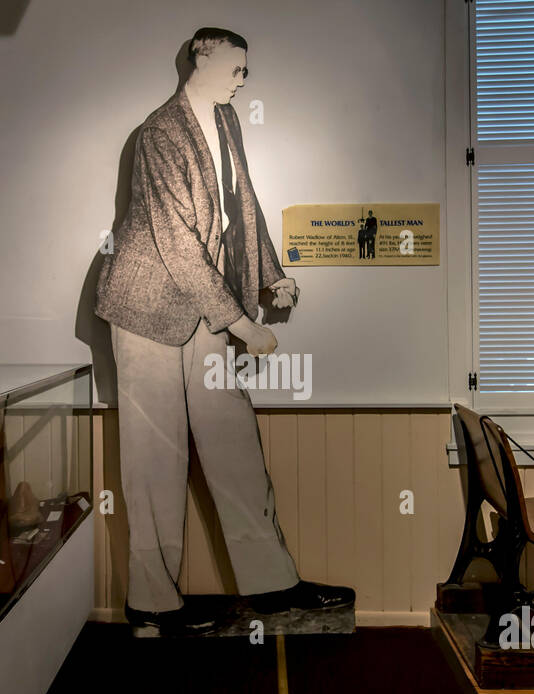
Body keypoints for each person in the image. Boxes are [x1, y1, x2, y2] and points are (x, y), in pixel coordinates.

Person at [95, 27, 354, 635]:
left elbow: (246, 207)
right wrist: (241, 321)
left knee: (233, 442)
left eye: (246, 70)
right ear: (201, 57)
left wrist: (271, 278)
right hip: (147, 311)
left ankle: (271, 587)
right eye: (237, 67)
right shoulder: (159, 131)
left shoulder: (227, 121)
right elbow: (177, 242)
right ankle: (152, 603)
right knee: (154, 459)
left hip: (203, 304)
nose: (245, 78)